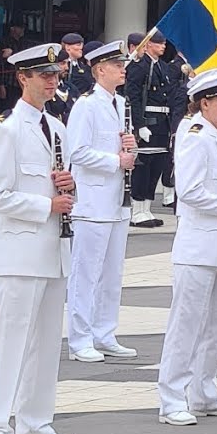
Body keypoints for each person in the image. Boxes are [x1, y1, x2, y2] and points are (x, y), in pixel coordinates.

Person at [0, 43, 79, 434]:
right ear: (22, 78)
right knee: (11, 341)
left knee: (45, 342)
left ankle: (35, 421)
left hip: (53, 250)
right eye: (42, 74)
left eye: (55, 74)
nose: (51, 81)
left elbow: (58, 186)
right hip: (20, 250)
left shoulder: (58, 129)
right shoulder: (6, 130)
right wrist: (47, 205)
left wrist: (68, 190)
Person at [155, 71, 217, 426]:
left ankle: (204, 391)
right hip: (199, 243)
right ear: (204, 102)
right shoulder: (194, 135)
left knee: (216, 321)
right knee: (187, 322)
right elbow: (190, 191)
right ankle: (171, 397)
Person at [65, 40, 139, 363]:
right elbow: (77, 152)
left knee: (113, 273)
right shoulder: (86, 105)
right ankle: (80, 338)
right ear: (99, 70)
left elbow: (125, 151)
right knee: (86, 274)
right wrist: (115, 160)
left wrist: (131, 149)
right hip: (93, 201)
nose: (122, 68)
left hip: (117, 202)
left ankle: (104, 332)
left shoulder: (122, 104)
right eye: (116, 64)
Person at [124, 32, 177, 228]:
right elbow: (134, 97)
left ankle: (146, 208)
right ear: (147, 46)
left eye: (163, 43)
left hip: (162, 123)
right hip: (148, 122)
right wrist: (139, 125)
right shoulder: (140, 67)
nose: (162, 46)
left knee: (157, 166)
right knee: (143, 167)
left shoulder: (163, 67)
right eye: (158, 43)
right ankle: (136, 210)